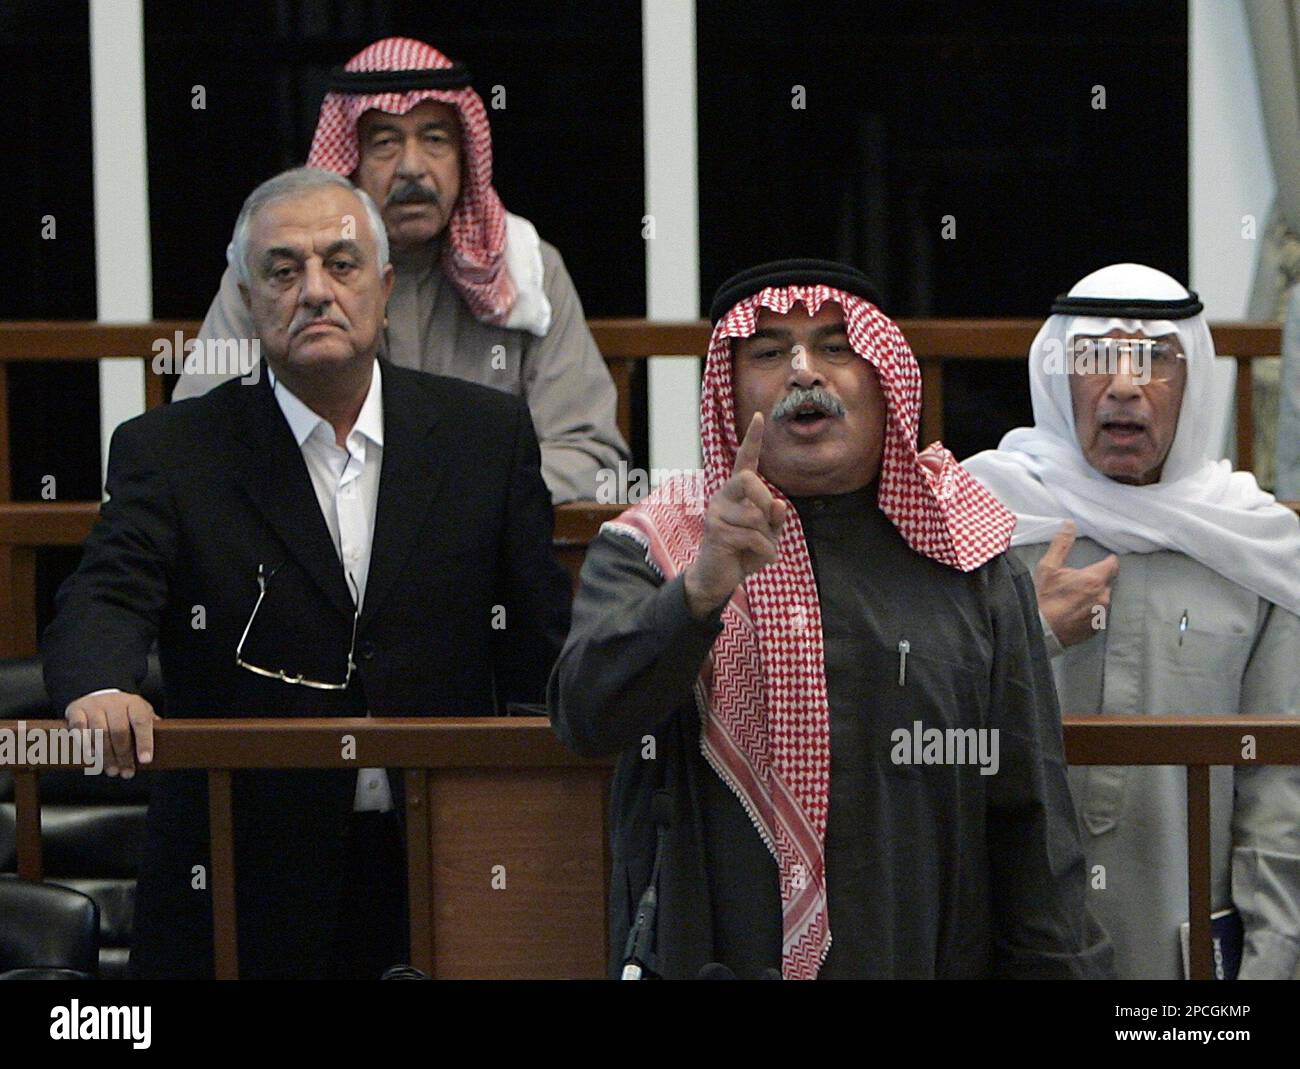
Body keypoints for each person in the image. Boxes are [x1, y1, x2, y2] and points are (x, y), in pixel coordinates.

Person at [42, 167, 572, 979]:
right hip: (244, 862)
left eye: (342, 263)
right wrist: (101, 682)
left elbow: (538, 642)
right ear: (250, 302)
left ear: (386, 285)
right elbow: (105, 591)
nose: (316, 290)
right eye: (284, 271)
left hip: (442, 853)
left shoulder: (484, 435)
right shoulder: (172, 450)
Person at [548, 258, 1112, 980]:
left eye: (837, 346)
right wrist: (699, 591)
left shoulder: (968, 559)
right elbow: (585, 716)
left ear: (885, 379)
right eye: (769, 351)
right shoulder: (658, 546)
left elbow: (1031, 825)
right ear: (728, 386)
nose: (804, 372)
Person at [964, 263, 1300, 979]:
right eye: (1094, 359)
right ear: (1059, 379)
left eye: (1153, 358)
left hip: (1181, 954)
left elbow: (1278, 796)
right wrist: (1032, 629)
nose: (1122, 384)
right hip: (1001, 937)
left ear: (1195, 382)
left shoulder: (1257, 548)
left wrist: (1274, 963)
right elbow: (917, 732)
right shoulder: (981, 522)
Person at [173, 36, 628, 504]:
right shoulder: (278, 270)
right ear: (349, 162)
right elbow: (199, 441)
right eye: (385, 143)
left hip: (470, 556)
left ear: (465, 155)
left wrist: (451, 498)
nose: (413, 168)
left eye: (435, 139)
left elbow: (589, 454)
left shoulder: (525, 267)